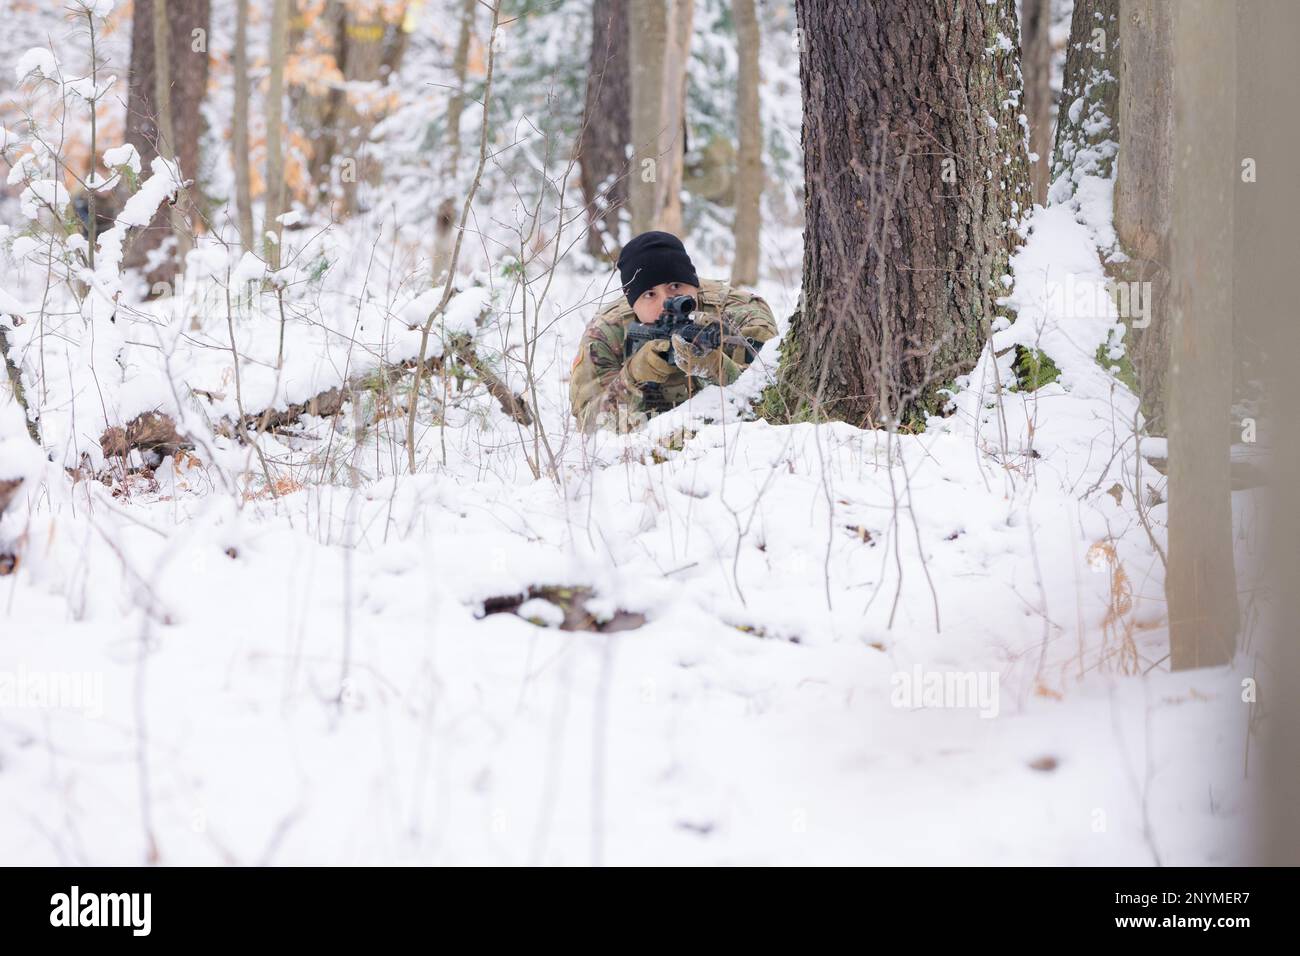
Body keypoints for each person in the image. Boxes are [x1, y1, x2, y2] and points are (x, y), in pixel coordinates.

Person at [569, 231, 777, 432]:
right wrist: (632, 377)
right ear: (632, 304)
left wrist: (717, 367)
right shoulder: (606, 332)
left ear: (694, 284)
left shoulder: (741, 312)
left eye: (676, 286)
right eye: (650, 294)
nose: (665, 302)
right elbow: (589, 429)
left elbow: (776, 398)